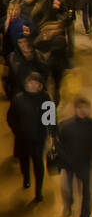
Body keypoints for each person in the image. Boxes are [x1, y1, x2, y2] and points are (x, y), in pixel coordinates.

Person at [57, 95, 92, 217]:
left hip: (86, 165)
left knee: (87, 194)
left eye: (85, 107)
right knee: (67, 189)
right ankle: (68, 204)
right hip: (70, 165)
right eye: (79, 108)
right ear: (75, 109)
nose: (83, 110)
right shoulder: (66, 126)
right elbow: (59, 146)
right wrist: (62, 162)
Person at [8, 71, 51, 202]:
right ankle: (26, 178)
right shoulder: (18, 99)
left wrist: (52, 134)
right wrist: (17, 131)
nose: (32, 85)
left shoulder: (45, 98)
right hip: (22, 139)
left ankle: (38, 191)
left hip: (38, 138)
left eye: (36, 83)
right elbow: (11, 117)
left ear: (40, 85)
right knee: (24, 161)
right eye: (30, 83)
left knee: (38, 163)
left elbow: (50, 119)